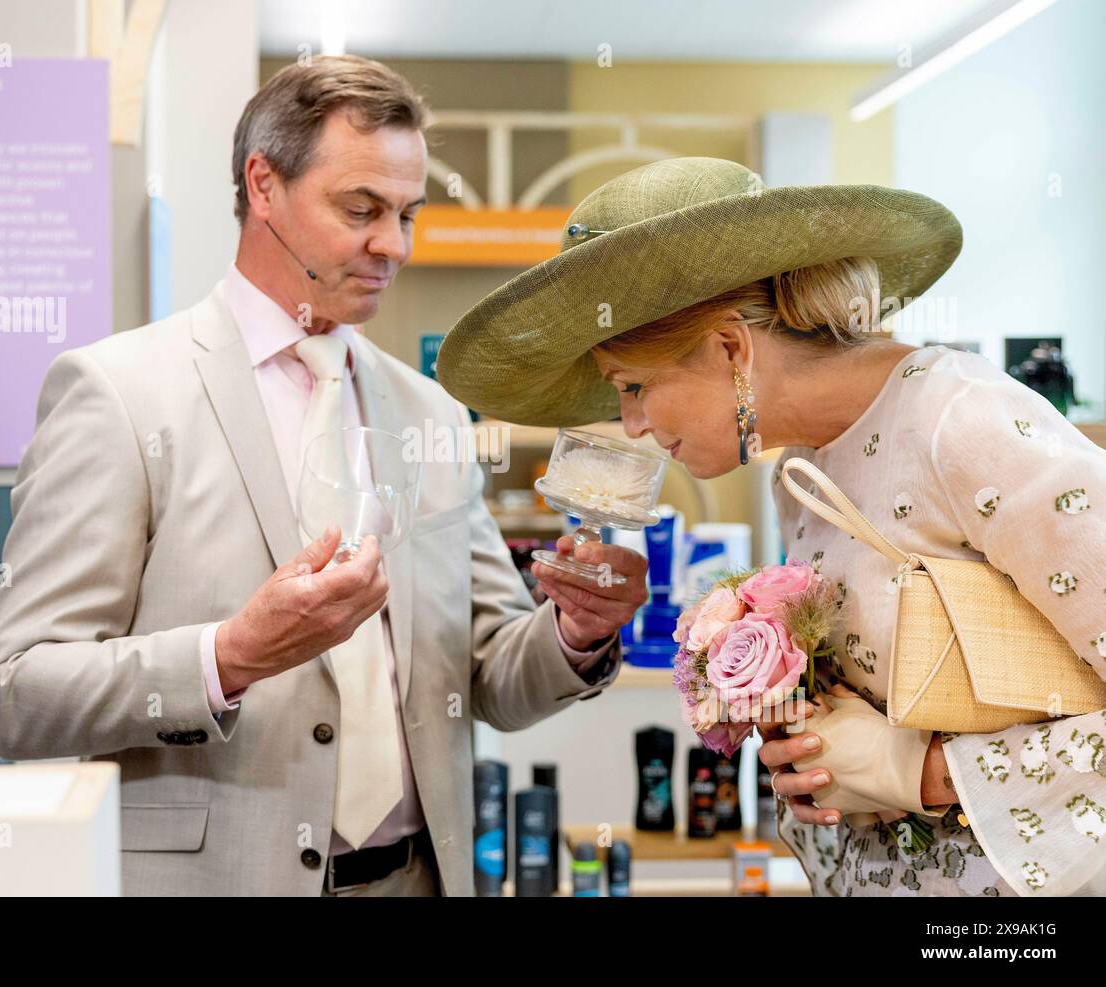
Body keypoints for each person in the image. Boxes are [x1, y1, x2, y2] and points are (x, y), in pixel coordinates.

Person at [0, 54, 647, 897]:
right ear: (263, 185)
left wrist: (576, 630)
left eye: (407, 213)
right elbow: (14, 694)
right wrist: (230, 656)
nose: (393, 245)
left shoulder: (430, 413)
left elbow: (489, 675)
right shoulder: (119, 393)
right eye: (361, 208)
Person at [437, 155, 1106, 897]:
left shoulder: (960, 419)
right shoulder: (803, 471)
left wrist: (917, 771)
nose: (630, 423)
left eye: (634, 386)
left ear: (730, 347)